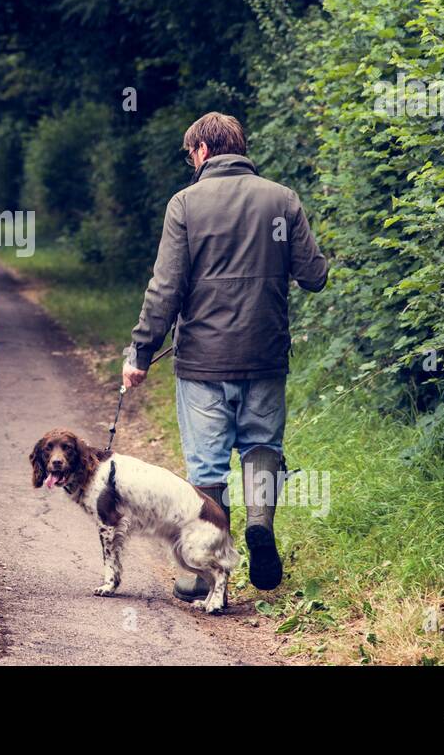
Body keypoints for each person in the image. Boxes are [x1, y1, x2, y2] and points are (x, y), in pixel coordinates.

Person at [123, 112, 327, 600]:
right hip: (264, 354)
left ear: (202, 151)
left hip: (203, 361)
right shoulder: (282, 200)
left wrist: (141, 350)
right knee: (262, 447)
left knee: (207, 468)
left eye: (189, 154)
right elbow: (314, 275)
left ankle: (204, 573)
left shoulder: (186, 205)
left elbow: (166, 288)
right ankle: (260, 523)